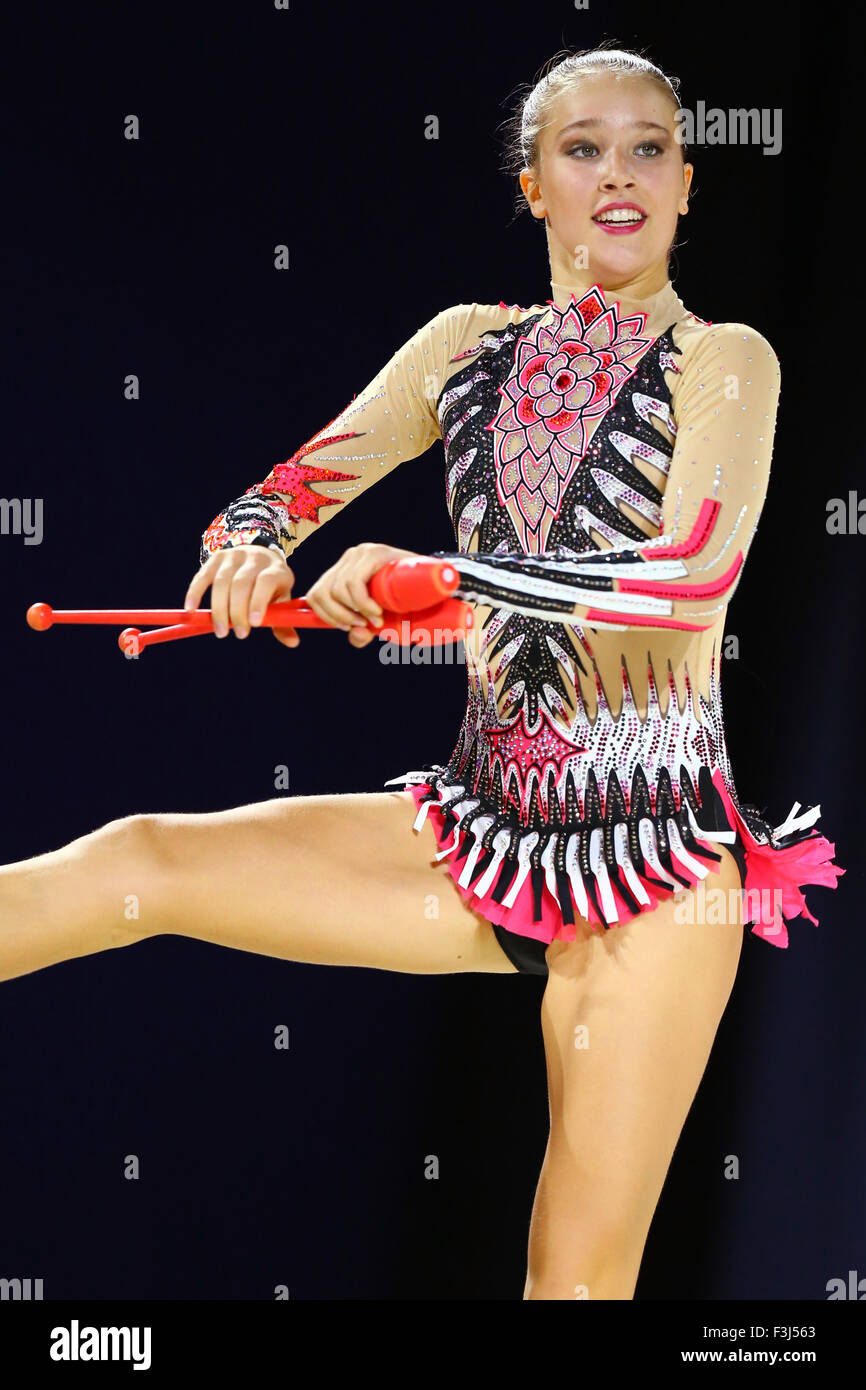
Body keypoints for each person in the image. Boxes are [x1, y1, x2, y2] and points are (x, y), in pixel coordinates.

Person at [1, 45, 843, 1300]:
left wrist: (448, 580)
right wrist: (245, 550)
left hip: (655, 868)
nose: (618, 174)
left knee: (570, 1278)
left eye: (649, 149)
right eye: (582, 149)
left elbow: (692, 574)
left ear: (684, 189)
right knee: (141, 858)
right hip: (478, 833)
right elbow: (283, 494)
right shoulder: (462, 347)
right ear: (531, 187)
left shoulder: (728, 360)